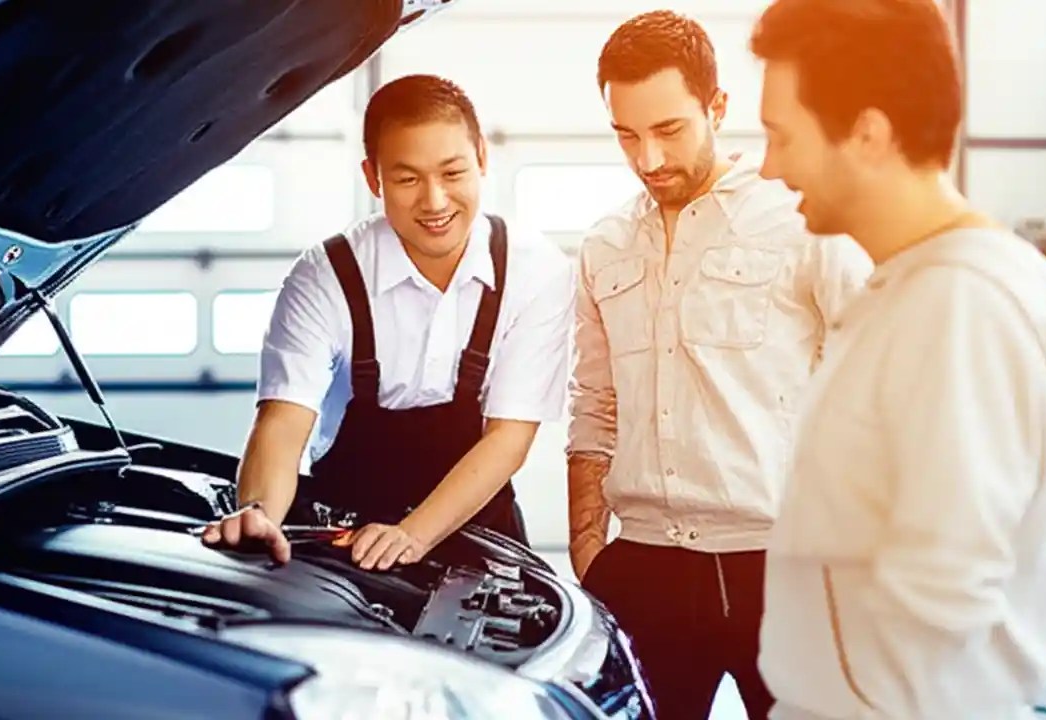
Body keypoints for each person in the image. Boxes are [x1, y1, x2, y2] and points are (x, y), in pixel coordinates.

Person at [747, 1, 1046, 718]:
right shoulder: (912, 290)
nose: (770, 166)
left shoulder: (961, 308)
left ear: (867, 134)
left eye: (781, 136)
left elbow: (943, 596)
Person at [566, 10, 873, 720]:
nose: (648, 159)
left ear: (718, 107)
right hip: (645, 572)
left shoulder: (804, 224)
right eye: (626, 135)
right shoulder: (605, 245)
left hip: (785, 566)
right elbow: (593, 404)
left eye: (669, 129)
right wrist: (588, 547)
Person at [202, 73, 574, 571]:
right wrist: (258, 514)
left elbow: (508, 438)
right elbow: (283, 420)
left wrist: (412, 536)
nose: (435, 201)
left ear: (482, 158)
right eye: (407, 179)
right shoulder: (325, 275)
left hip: (480, 533)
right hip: (345, 537)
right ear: (373, 177)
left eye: (453, 173)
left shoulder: (536, 271)